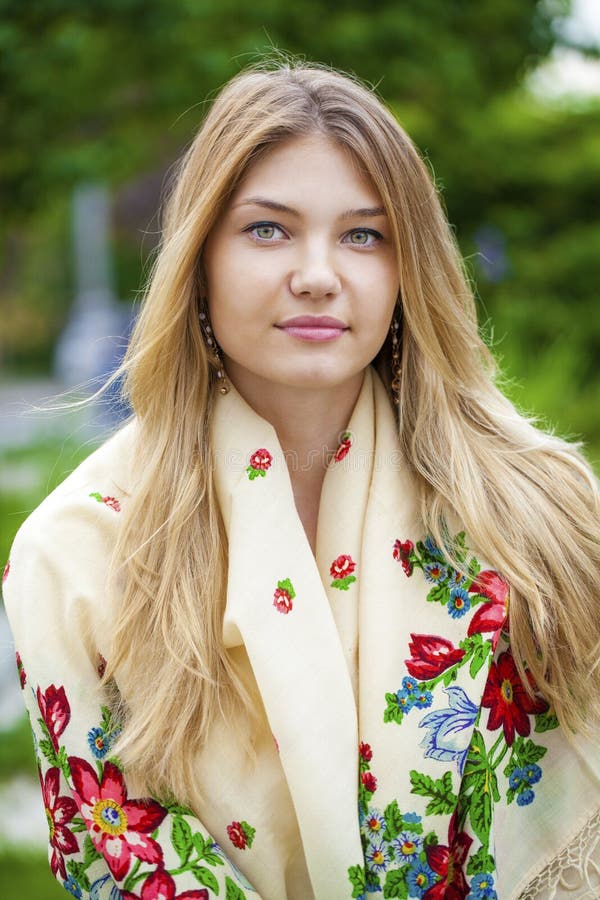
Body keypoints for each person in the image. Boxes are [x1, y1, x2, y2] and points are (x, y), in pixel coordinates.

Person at [3, 58, 600, 900]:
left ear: (406, 269)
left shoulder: (539, 512)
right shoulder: (78, 554)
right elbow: (118, 858)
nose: (319, 273)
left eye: (364, 234)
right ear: (199, 260)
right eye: (268, 229)